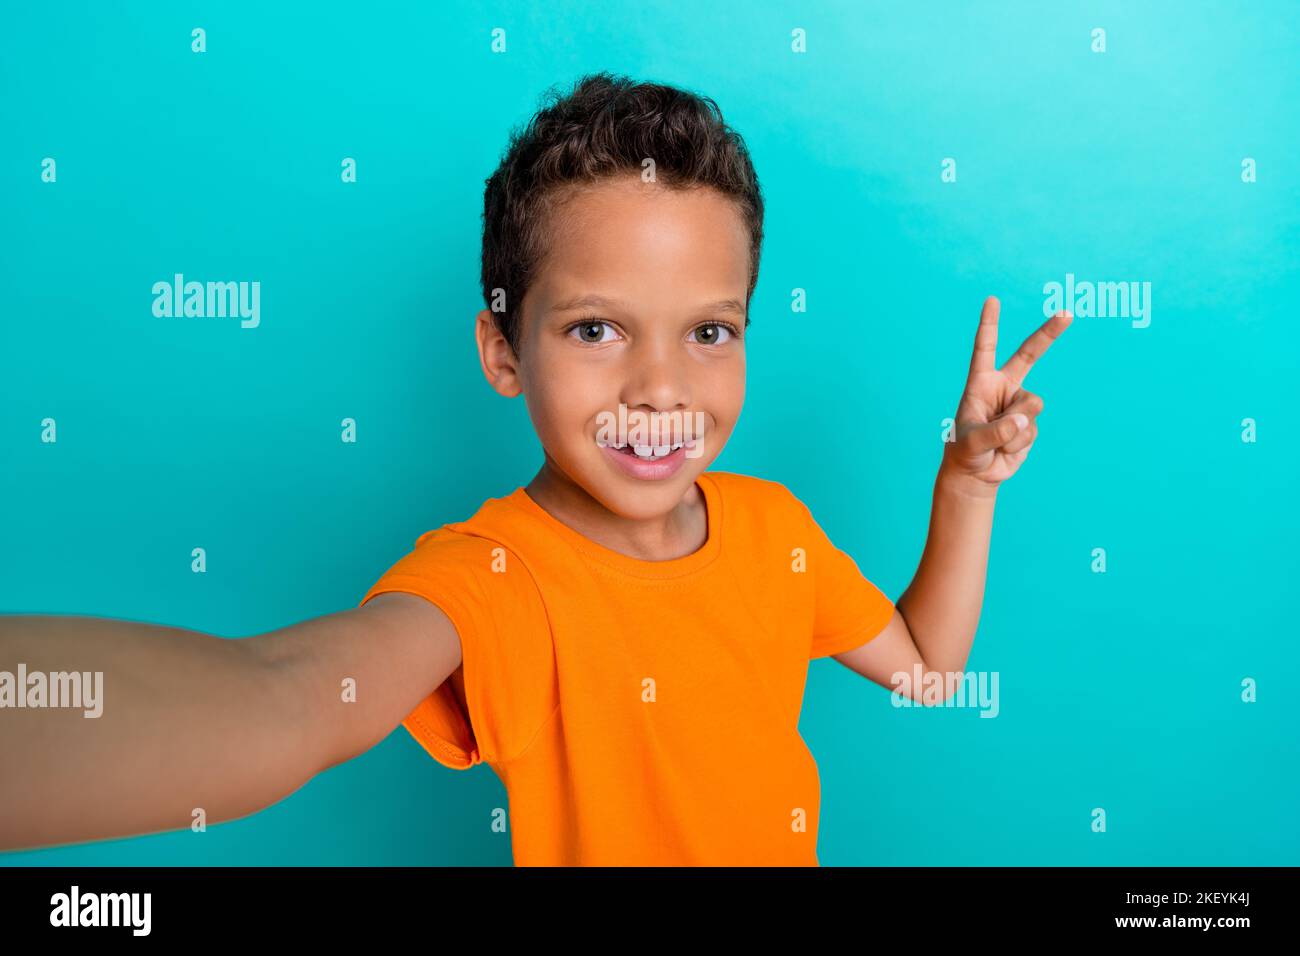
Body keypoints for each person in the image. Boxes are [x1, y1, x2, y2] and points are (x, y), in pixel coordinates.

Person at [0, 72, 1070, 865]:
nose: (662, 387)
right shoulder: (496, 578)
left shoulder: (775, 530)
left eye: (708, 331)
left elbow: (928, 665)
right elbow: (285, 696)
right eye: (597, 329)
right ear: (503, 352)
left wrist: (965, 487)